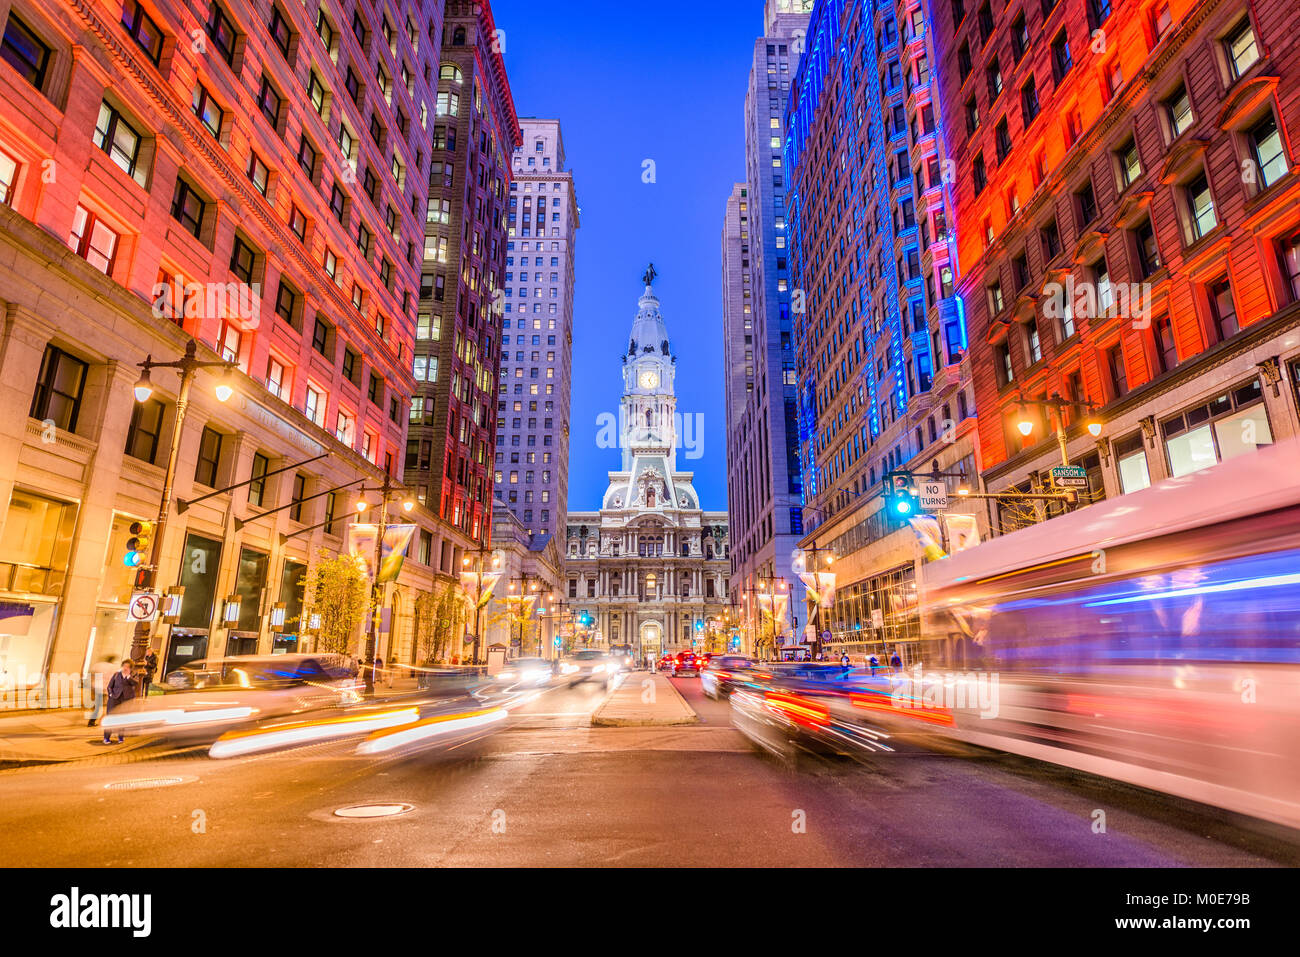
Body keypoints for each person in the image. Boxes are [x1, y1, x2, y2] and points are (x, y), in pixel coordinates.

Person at [102, 659, 137, 744]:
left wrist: (128, 677)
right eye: (124, 666)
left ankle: (120, 737)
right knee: (110, 718)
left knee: (123, 718)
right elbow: (109, 686)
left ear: (131, 668)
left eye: (128, 667)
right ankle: (106, 738)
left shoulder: (133, 675)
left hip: (126, 699)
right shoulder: (116, 674)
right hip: (114, 699)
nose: (125, 668)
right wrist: (110, 695)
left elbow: (136, 683)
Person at [87, 655, 119, 727]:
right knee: (100, 706)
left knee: (98, 705)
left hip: (96, 686)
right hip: (103, 688)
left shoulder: (99, 665)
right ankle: (91, 722)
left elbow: (92, 674)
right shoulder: (113, 667)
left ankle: (93, 719)